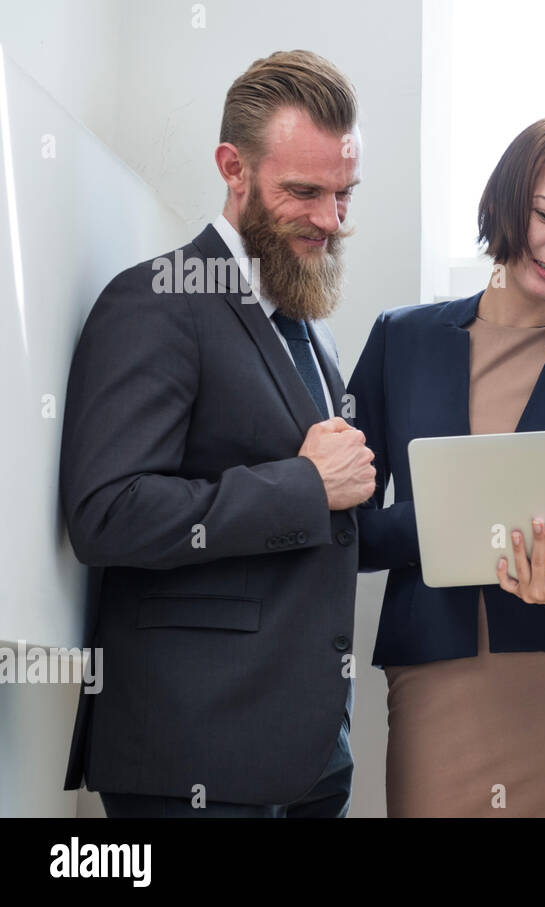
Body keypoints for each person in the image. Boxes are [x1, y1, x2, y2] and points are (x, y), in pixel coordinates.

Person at [59, 50, 373, 817]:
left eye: (344, 194)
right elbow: (106, 511)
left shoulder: (309, 328)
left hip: (308, 759)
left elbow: (324, 530)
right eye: (304, 192)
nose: (331, 220)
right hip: (195, 755)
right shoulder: (157, 302)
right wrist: (304, 483)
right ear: (234, 168)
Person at [346, 118, 545, 817]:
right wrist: (449, 518)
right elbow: (345, 527)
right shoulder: (400, 341)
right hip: (439, 686)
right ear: (503, 204)